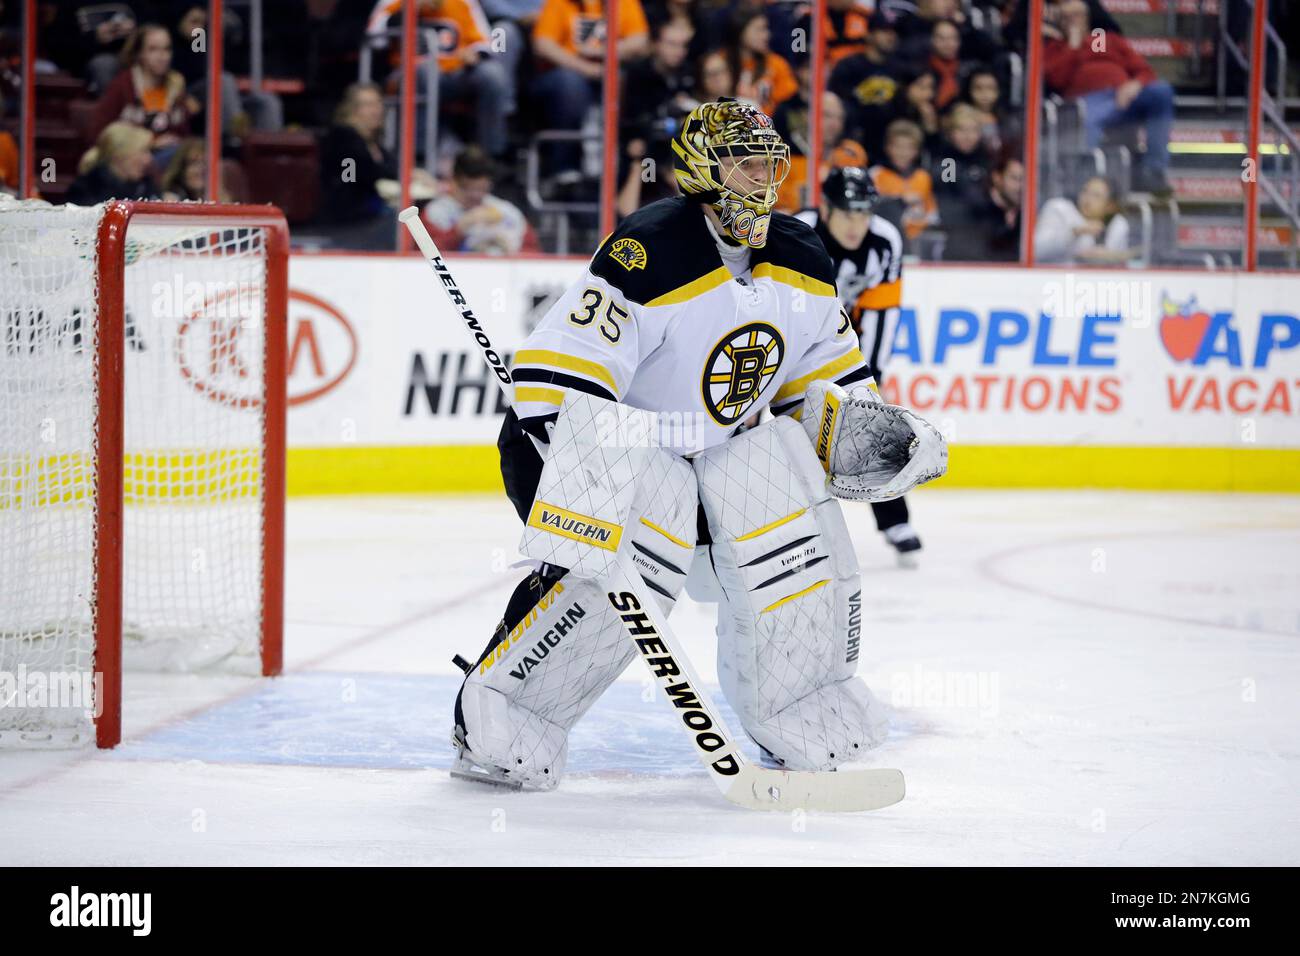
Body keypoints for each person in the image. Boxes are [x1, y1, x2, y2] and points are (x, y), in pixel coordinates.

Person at [450, 98, 946, 789]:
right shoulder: (650, 249)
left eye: (771, 163)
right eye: (744, 163)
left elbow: (823, 391)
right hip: (592, 448)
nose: (762, 178)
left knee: (787, 521)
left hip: (707, 456)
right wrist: (589, 485)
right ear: (702, 167)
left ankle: (799, 706)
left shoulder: (801, 255)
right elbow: (563, 378)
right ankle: (505, 715)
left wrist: (877, 439)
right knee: (610, 587)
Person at [797, 167, 925, 564]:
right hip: (788, 345)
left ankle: (894, 521)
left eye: (864, 214)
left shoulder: (884, 241)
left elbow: (883, 311)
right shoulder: (796, 234)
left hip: (839, 348)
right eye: (848, 214)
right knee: (778, 438)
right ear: (825, 208)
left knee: (873, 422)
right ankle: (792, 530)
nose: (857, 225)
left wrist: (873, 375)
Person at [1042, 0, 1174, 194]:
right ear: (1059, 20)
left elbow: (1144, 71)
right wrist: (1073, 45)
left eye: (1078, 15)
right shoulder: (1055, 46)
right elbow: (1058, 80)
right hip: (1086, 102)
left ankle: (1153, 171)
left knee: (1161, 91)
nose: (1074, 21)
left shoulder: (1099, 39)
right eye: (1068, 17)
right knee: (1086, 123)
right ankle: (1082, 186)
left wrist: (1133, 85)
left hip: (1122, 96)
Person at [367, 0, 513, 161]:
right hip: (408, 72)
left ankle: (489, 155)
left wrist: (475, 54)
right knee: (424, 70)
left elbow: (485, 43)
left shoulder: (463, 2)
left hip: (456, 73)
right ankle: (418, 156)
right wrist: (406, 11)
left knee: (492, 74)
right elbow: (375, 38)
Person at [531, 0, 650, 180]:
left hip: (611, 72)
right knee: (569, 84)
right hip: (564, 76)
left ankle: (625, 165)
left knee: (635, 80)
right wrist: (585, 68)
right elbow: (543, 44)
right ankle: (565, 166)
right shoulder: (560, 3)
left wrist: (602, 52)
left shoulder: (624, 3)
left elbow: (640, 41)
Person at [90, 22, 196, 169]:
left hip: (167, 159)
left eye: (167, 49)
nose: (162, 56)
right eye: (153, 49)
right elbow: (101, 134)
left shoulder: (175, 86)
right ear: (139, 54)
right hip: (127, 160)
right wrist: (151, 142)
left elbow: (183, 134)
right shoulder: (122, 86)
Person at [421, 146, 537, 254]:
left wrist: (510, 251)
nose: (475, 195)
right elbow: (423, 258)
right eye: (468, 188)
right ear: (453, 181)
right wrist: (457, 231)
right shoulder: (435, 213)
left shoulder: (507, 211)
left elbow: (534, 253)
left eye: (482, 189)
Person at [773, 89, 866, 213]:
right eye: (827, 115)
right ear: (807, 116)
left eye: (839, 118)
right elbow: (776, 209)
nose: (835, 124)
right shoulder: (788, 156)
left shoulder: (851, 154)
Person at [942, 150, 1022, 261]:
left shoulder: (1024, 216)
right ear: (997, 178)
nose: (1020, 186)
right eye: (1015, 178)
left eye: (1024, 179)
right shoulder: (973, 210)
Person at [1034, 175, 1132, 265]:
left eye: (1096, 196)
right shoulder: (1058, 209)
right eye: (1085, 191)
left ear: (1111, 206)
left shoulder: (1118, 224)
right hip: (1053, 281)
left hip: (1093, 283)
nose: (1087, 199)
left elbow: (1122, 264)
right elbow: (1035, 250)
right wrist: (1074, 232)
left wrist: (1108, 256)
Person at [869, 118, 938, 244]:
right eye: (898, 146)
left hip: (918, 243)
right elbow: (870, 208)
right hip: (885, 239)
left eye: (909, 148)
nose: (903, 153)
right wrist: (899, 201)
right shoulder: (876, 174)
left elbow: (932, 215)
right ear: (888, 147)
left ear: (916, 151)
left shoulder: (923, 177)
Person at [722, 2, 797, 117]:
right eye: (759, 29)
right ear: (740, 30)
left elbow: (786, 108)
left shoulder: (777, 64)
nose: (766, 35)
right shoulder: (720, 62)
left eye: (766, 29)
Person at [66, 122, 160, 206]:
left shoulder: (146, 186)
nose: (149, 159)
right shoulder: (85, 190)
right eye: (143, 151)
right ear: (119, 155)